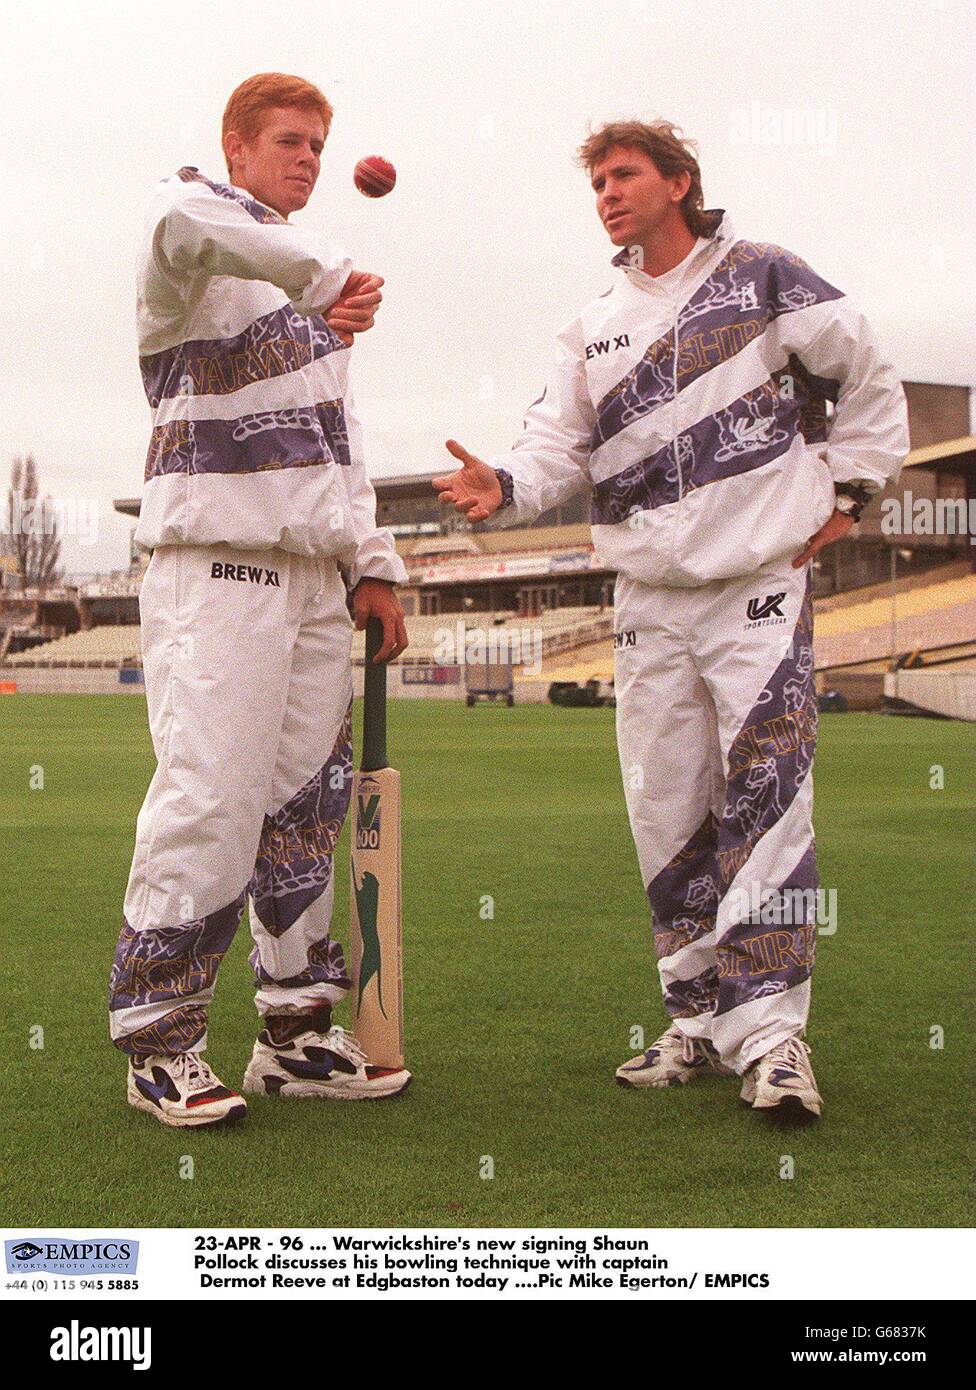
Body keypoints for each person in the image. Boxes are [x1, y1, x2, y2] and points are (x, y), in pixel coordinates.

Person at [433, 120, 908, 1121]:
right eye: (597, 181)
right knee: (667, 814)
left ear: (679, 182)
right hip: (646, 600)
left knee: (769, 809)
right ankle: (694, 1016)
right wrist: (503, 484)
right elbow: (553, 448)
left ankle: (773, 1041)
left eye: (625, 175)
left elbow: (865, 368)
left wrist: (852, 491)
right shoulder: (592, 323)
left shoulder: (763, 275)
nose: (607, 192)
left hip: (757, 591)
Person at [110, 72, 412, 1128]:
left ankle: (294, 1029)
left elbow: (341, 447)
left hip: (316, 583)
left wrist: (375, 562)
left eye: (320, 145)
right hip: (217, 566)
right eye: (288, 140)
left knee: (304, 812)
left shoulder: (308, 304)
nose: (310, 160)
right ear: (233, 147)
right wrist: (329, 271)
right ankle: (159, 1038)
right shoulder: (186, 235)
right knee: (211, 798)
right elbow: (184, 224)